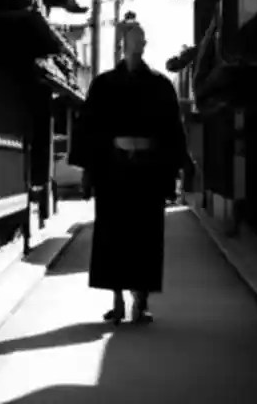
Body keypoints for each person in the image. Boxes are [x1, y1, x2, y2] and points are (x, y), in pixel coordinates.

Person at [69, 17, 193, 324]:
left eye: (142, 40)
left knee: (145, 237)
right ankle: (117, 300)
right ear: (123, 44)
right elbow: (89, 129)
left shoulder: (160, 85)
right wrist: (88, 172)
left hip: (148, 170)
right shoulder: (103, 84)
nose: (139, 45)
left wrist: (179, 168)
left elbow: (173, 130)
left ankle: (142, 301)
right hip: (114, 167)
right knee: (113, 235)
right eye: (134, 40)